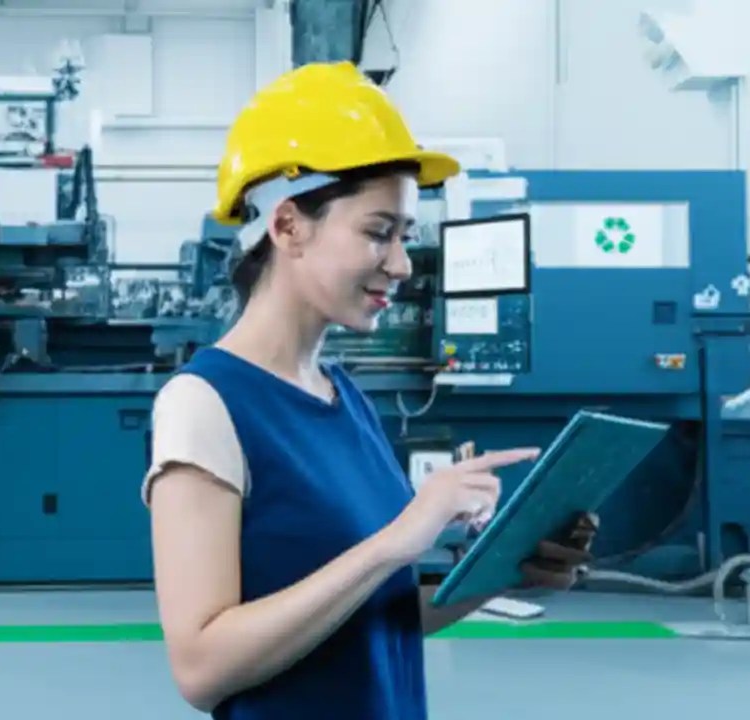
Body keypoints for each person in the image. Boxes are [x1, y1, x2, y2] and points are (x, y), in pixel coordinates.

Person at [140, 62, 598, 720]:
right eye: (379, 232)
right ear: (288, 225)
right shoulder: (204, 403)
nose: (403, 263)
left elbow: (376, 615)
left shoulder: (341, 394)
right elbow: (202, 667)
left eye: (405, 237)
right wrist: (400, 537)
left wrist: (504, 570)